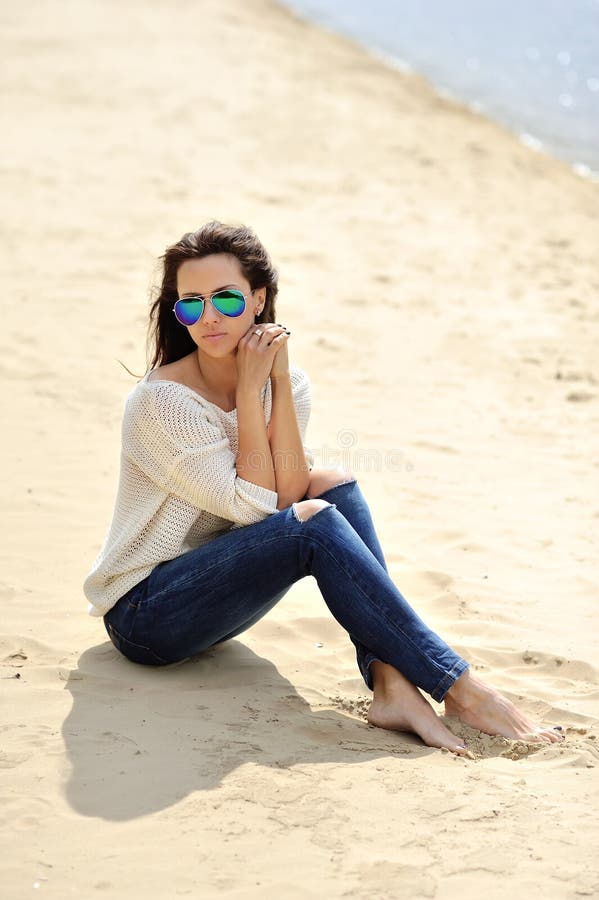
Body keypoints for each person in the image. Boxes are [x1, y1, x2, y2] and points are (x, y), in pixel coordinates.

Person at [84, 220, 564, 755]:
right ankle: (461, 687)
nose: (209, 318)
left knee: (331, 484)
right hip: (147, 616)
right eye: (191, 304)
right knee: (311, 522)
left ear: (259, 298)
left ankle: (392, 684)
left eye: (225, 298)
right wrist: (249, 388)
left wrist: (278, 381)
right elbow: (257, 507)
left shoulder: (288, 384)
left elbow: (288, 492)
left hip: (215, 597)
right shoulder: (161, 405)